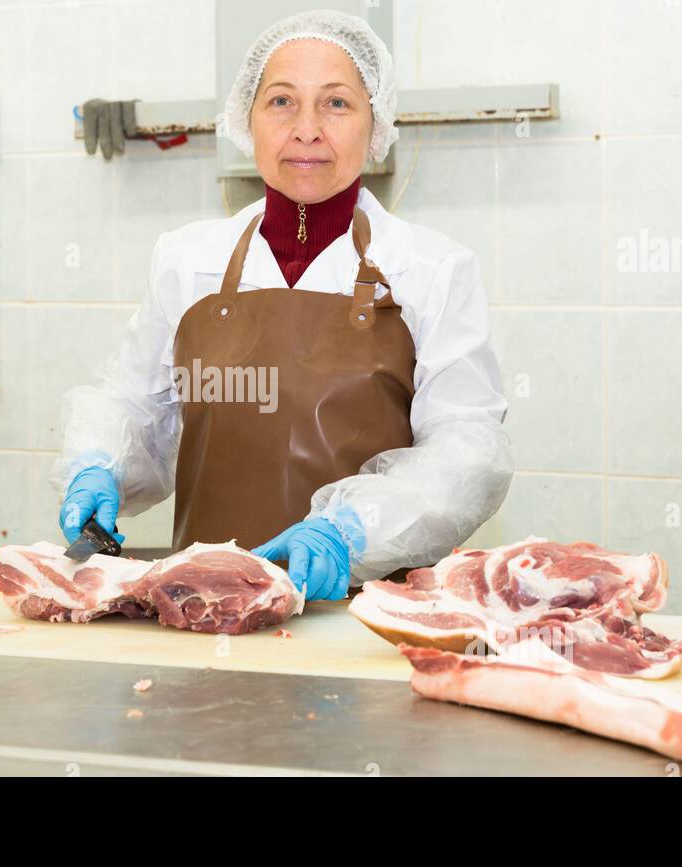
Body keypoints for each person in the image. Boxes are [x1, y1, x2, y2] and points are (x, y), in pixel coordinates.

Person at [53, 9, 512, 602]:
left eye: (337, 103)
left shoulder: (432, 270)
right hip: (202, 609)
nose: (307, 129)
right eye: (281, 102)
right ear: (248, 119)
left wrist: (350, 532)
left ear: (376, 126)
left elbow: (467, 451)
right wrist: (100, 465)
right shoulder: (187, 260)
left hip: (370, 618)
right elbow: (135, 407)